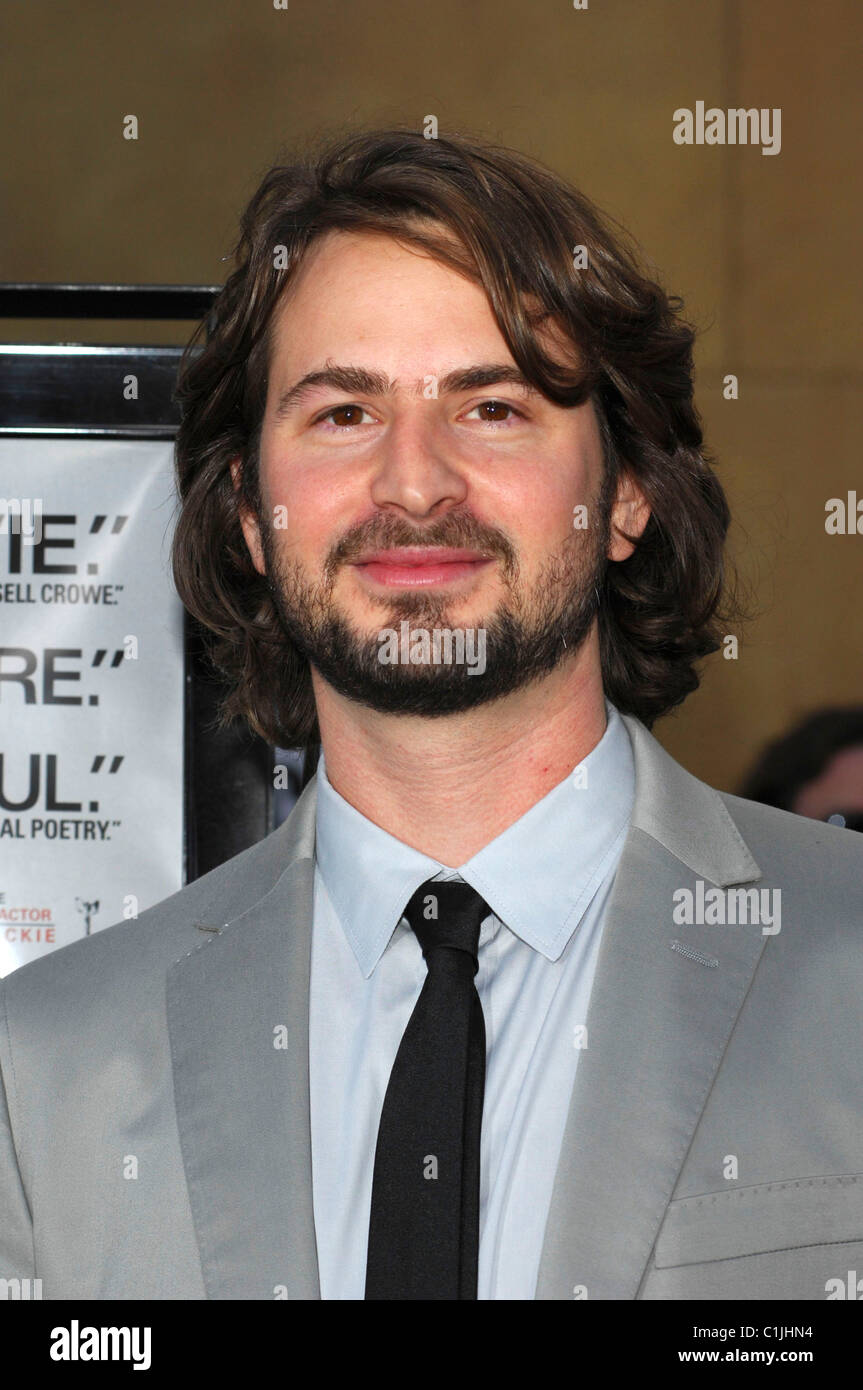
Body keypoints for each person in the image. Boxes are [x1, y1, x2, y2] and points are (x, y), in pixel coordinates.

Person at [2, 129, 862, 1302]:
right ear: (251, 513)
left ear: (623, 493)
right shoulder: (47, 1064)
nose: (414, 481)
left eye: (493, 407)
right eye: (341, 414)